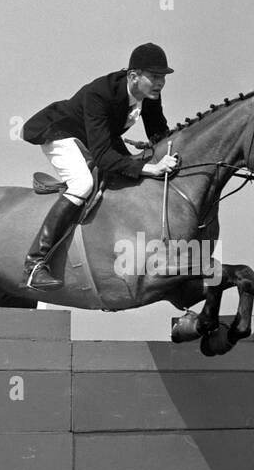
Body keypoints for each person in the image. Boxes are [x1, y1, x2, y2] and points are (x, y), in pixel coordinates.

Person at [20, 43, 182, 289]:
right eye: (155, 77)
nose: (160, 83)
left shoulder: (149, 95)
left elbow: (158, 134)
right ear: (134, 76)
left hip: (96, 137)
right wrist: (151, 168)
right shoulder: (100, 93)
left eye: (163, 78)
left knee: (130, 173)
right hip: (61, 133)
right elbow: (104, 156)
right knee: (83, 183)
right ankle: (35, 264)